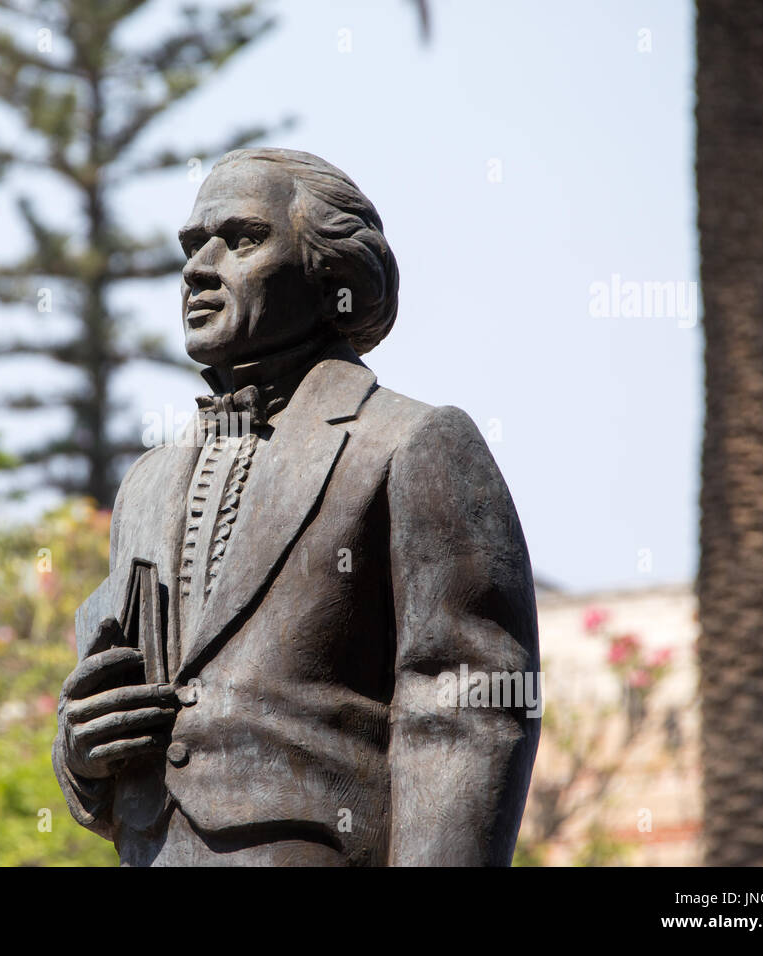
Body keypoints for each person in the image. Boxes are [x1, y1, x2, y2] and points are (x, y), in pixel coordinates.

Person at [53, 147, 540, 865]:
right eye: (192, 246)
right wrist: (80, 753)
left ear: (331, 271)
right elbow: (115, 711)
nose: (199, 266)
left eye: (242, 238)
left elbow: (463, 708)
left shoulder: (410, 442)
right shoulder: (147, 483)